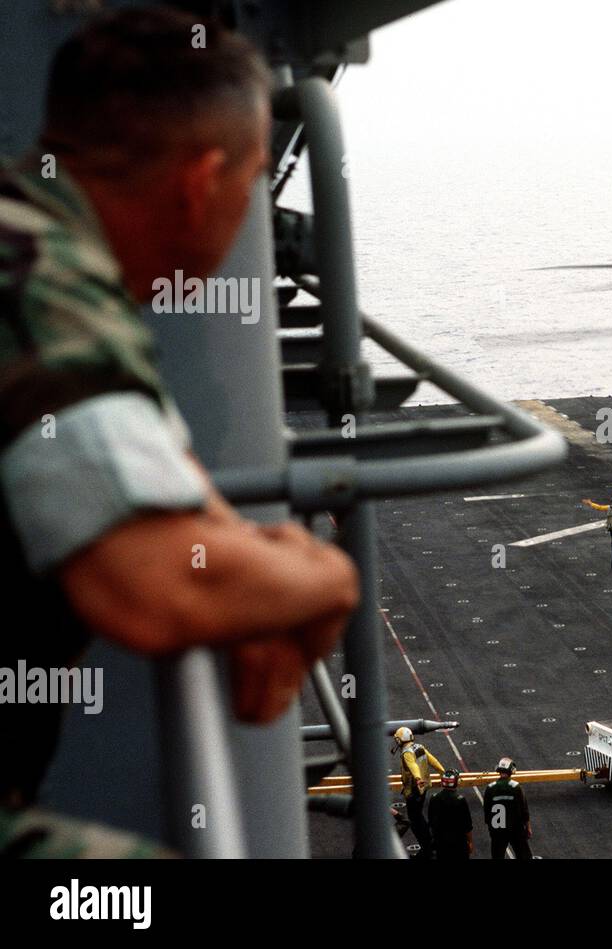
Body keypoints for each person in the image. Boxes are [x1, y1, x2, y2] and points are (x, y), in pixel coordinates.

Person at [0, 7, 359, 846]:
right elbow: (161, 587)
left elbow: (173, 493)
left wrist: (249, 567)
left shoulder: (44, 256)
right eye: (253, 181)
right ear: (202, 184)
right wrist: (330, 582)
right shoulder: (36, 283)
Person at [394, 726, 444, 859]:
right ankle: (428, 845)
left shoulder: (407, 753)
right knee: (419, 817)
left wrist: (417, 778)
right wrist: (443, 772)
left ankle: (427, 849)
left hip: (414, 790)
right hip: (424, 788)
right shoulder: (419, 747)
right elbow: (432, 760)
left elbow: (413, 766)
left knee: (415, 821)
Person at [482, 757, 532, 859]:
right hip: (515, 828)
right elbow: (524, 811)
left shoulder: (490, 787)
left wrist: (492, 828)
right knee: (524, 855)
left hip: (497, 830)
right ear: (512, 770)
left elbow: (487, 811)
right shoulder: (516, 787)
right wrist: (528, 827)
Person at [428, 769, 474, 860]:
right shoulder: (460, 800)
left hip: (440, 843)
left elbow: (431, 822)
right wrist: (470, 842)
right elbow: (467, 825)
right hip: (458, 843)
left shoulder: (434, 798)